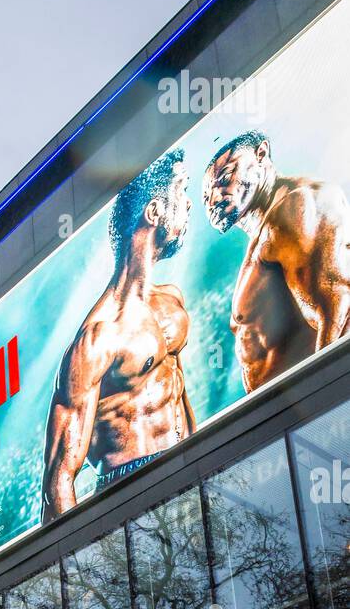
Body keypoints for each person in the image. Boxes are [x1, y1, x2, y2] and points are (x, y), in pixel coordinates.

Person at [42, 148, 194, 520]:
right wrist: (78, 571)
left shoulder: (170, 300)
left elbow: (183, 403)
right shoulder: (98, 339)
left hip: (191, 474)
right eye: (180, 190)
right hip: (130, 492)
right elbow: (58, 480)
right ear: (154, 211)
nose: (188, 204)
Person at [202, 130, 350, 392]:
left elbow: (336, 307)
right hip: (289, 421)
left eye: (225, 178)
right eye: (206, 197)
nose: (214, 199)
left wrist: (325, 411)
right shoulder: (266, 230)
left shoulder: (296, 205)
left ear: (261, 154)